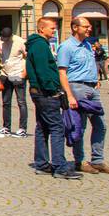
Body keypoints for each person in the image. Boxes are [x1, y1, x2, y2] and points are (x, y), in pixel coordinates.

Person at [57, 15, 109, 175]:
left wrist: (96, 79)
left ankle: (98, 160)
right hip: (77, 88)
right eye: (86, 26)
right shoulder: (66, 47)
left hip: (92, 88)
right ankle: (80, 161)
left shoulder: (87, 45)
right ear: (75, 27)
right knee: (80, 126)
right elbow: (62, 72)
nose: (89, 29)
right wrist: (69, 95)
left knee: (101, 125)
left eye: (90, 26)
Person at [26, 17, 80, 179]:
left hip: (38, 92)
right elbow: (44, 71)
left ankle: (42, 164)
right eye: (51, 28)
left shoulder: (36, 44)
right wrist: (54, 90)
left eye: (55, 28)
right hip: (46, 93)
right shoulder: (41, 46)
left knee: (42, 127)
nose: (54, 31)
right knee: (57, 128)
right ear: (41, 29)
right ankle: (59, 166)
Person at [0, 27, 28, 136]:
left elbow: (27, 57)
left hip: (17, 74)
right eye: (3, 38)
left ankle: (22, 128)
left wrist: (24, 73)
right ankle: (6, 127)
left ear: (11, 36)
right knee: (6, 102)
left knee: (21, 102)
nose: (4, 40)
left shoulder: (20, 41)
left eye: (6, 38)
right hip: (5, 74)